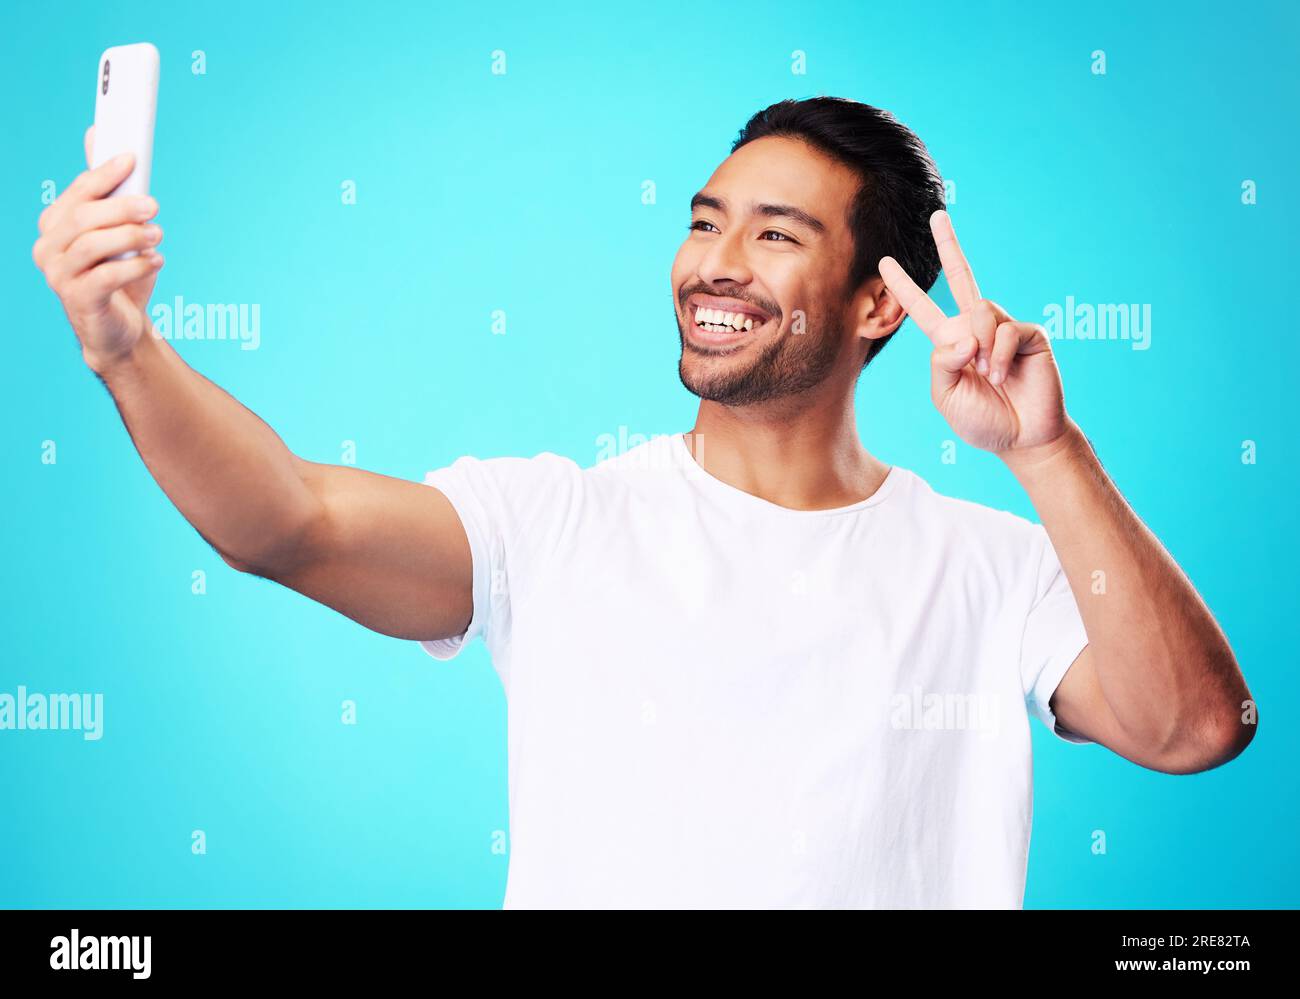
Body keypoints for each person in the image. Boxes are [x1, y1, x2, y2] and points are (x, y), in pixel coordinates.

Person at [32, 96, 1255, 909]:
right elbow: (284, 522)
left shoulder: (996, 567)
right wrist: (126, 349)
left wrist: (1047, 454)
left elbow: (1194, 728)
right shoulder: (551, 525)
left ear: (879, 303)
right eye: (705, 223)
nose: (715, 263)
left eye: (775, 235)